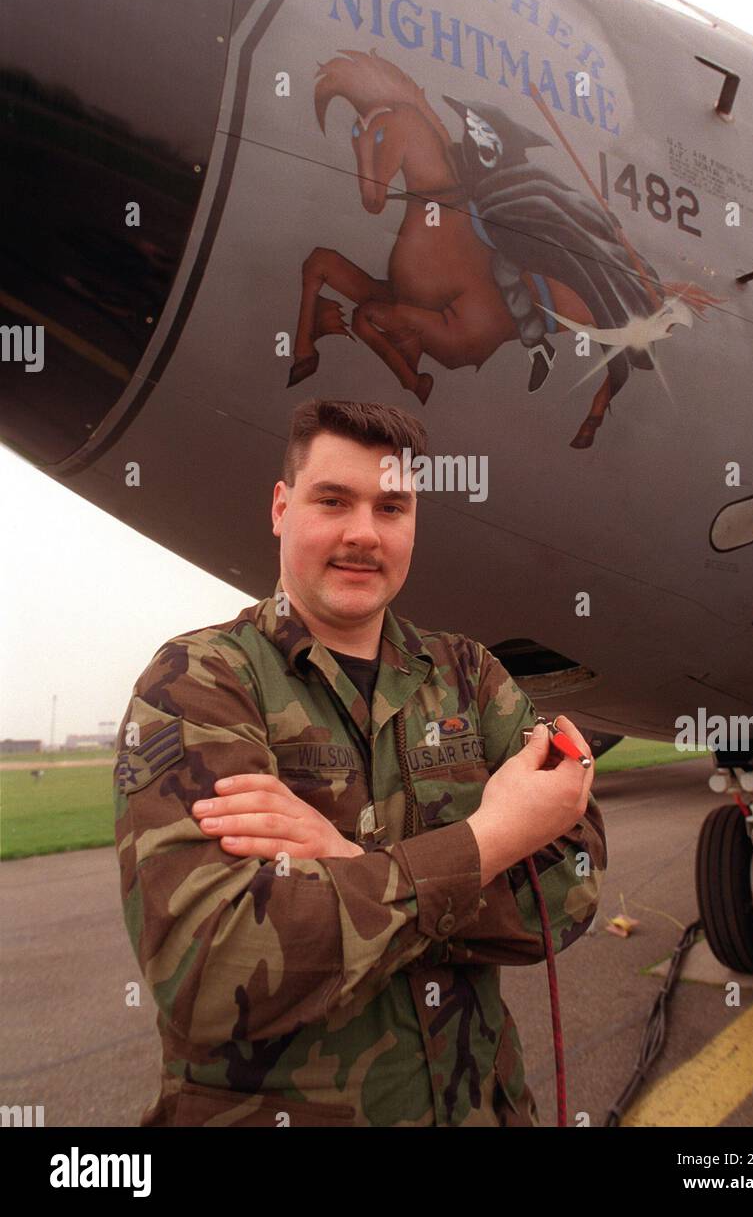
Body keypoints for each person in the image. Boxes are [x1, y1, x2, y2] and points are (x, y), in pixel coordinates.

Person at [113, 399, 606, 1127]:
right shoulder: (198, 682)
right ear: (281, 508)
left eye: (391, 507)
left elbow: (577, 880)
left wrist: (346, 861)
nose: (363, 534)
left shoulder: (469, 676)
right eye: (332, 501)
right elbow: (214, 970)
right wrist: (489, 842)